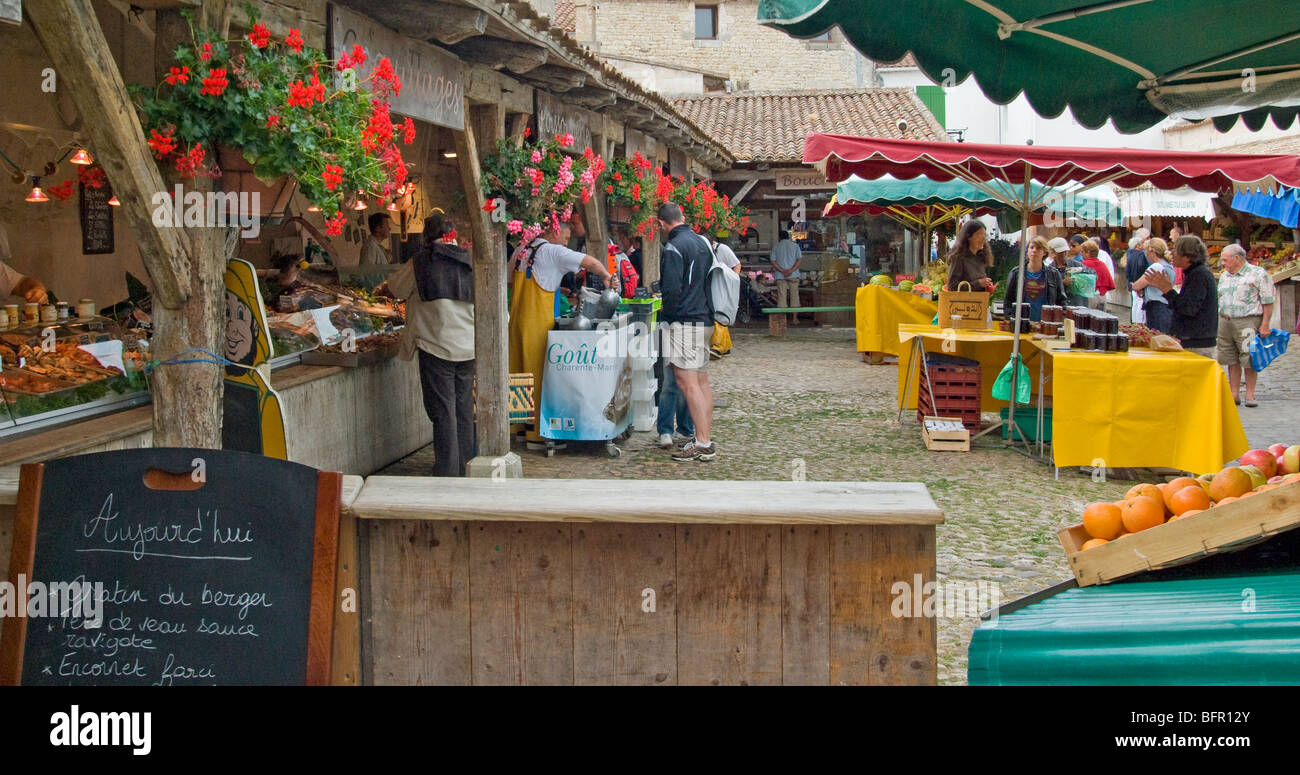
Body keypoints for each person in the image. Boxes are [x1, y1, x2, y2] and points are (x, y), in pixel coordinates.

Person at [508, 218, 613, 448]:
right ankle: (538, 435)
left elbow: (508, 280)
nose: (567, 243)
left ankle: (518, 430)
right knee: (538, 375)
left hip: (516, 319)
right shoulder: (553, 251)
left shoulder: (521, 249)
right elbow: (590, 262)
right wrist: (606, 275)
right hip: (536, 321)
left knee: (518, 373)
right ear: (556, 232)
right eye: (566, 238)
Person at [388, 215, 477, 476]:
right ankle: (466, 465)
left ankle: (447, 471)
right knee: (462, 408)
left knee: (442, 411)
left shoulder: (421, 262)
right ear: (453, 234)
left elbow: (396, 288)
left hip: (436, 347)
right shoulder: (471, 261)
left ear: (426, 235)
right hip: (468, 347)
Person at [658, 202, 716, 462]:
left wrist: (667, 319)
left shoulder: (673, 247)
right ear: (683, 217)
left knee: (687, 383)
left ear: (662, 224)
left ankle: (702, 442)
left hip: (684, 322)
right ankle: (705, 438)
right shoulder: (703, 243)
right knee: (701, 383)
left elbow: (670, 290)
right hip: (704, 319)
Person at [1214, 243, 1275, 407]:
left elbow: (1268, 300)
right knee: (1230, 357)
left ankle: (1250, 393)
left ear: (1237, 258)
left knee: (1248, 357)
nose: (1223, 263)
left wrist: (1265, 324)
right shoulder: (1225, 276)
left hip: (1247, 319)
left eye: (1225, 260)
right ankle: (1234, 393)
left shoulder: (1257, 274)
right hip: (1225, 320)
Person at [1143, 235, 1218, 359]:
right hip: (1193, 340)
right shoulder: (1195, 273)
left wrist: (1167, 290)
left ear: (1187, 256)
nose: (1172, 253)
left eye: (1176, 251)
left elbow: (1188, 308)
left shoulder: (1199, 275)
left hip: (1196, 343)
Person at [1003, 236, 1066, 321]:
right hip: (1022, 324)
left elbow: (1061, 301)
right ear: (1027, 250)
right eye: (1031, 247)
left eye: (1038, 248)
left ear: (1044, 252)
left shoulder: (1054, 274)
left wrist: (1058, 320)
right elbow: (1008, 300)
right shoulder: (1016, 272)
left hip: (1045, 324)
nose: (1034, 251)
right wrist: (1011, 319)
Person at [1129, 238, 1175, 333]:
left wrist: (1135, 286)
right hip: (1166, 306)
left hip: (1157, 308)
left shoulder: (1156, 267)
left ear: (1152, 252)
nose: (1145, 254)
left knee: (1157, 337)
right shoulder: (1168, 266)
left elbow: (1136, 285)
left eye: (1146, 250)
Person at [708, 235, 742, 359]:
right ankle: (726, 345)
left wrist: (733, 280)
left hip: (723, 286)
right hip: (714, 285)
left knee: (719, 313)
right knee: (718, 313)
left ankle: (718, 346)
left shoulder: (723, 249)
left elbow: (737, 264)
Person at [945, 220, 995, 293]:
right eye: (980, 235)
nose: (984, 238)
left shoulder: (980, 258)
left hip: (979, 302)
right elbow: (952, 286)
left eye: (985, 235)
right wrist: (978, 283)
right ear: (968, 237)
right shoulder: (959, 258)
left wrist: (987, 285)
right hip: (963, 303)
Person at [1048, 236, 1090, 307]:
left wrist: (1080, 272)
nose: (1064, 254)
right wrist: (1062, 282)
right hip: (1060, 307)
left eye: (1065, 251)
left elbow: (1093, 274)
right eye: (1061, 252)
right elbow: (1049, 290)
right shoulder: (1050, 269)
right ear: (1053, 252)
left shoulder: (1076, 264)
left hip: (1078, 306)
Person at [1125, 228, 1152, 324]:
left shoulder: (1130, 253)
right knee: (1139, 306)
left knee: (1135, 305)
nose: (1149, 239)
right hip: (1139, 284)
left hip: (1133, 283)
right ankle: (1138, 324)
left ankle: (1134, 323)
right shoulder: (1141, 254)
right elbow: (1142, 268)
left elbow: (1127, 270)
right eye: (1147, 238)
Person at [770, 229, 802, 310]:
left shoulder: (776, 246)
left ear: (779, 237)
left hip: (780, 275)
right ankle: (795, 318)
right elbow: (799, 260)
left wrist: (782, 271)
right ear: (788, 237)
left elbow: (773, 261)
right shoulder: (795, 246)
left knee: (782, 297)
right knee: (794, 296)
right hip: (793, 274)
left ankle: (782, 318)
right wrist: (791, 271)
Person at [1078, 240, 1116, 309]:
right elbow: (1109, 280)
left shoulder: (1083, 264)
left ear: (1088, 252)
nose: (1081, 254)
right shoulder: (1102, 265)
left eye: (1082, 252)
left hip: (1088, 297)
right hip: (1102, 296)